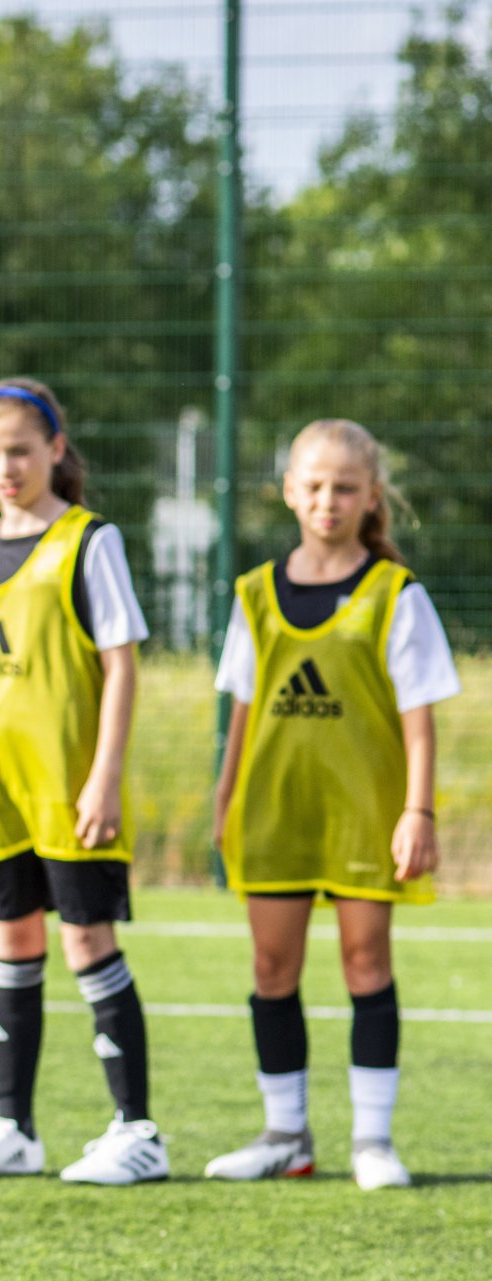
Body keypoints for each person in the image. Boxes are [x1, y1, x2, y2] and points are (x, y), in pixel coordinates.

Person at [204, 419, 459, 1189]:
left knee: (363, 961)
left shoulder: (394, 595)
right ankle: (286, 1135)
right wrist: (223, 803)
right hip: (275, 812)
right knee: (271, 966)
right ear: (288, 490)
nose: (328, 500)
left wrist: (418, 812)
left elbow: (420, 721)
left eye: (345, 487)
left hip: (364, 814)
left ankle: (373, 1142)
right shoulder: (254, 593)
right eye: (313, 485)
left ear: (371, 497)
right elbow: (240, 717)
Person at [0, 379, 162, 1186]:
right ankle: (13, 1128)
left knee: (88, 941)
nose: (4, 467)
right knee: (11, 946)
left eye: (19, 451)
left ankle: (138, 1130)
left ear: (56, 448)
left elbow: (121, 663)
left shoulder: (90, 541)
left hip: (69, 783)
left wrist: (105, 776)